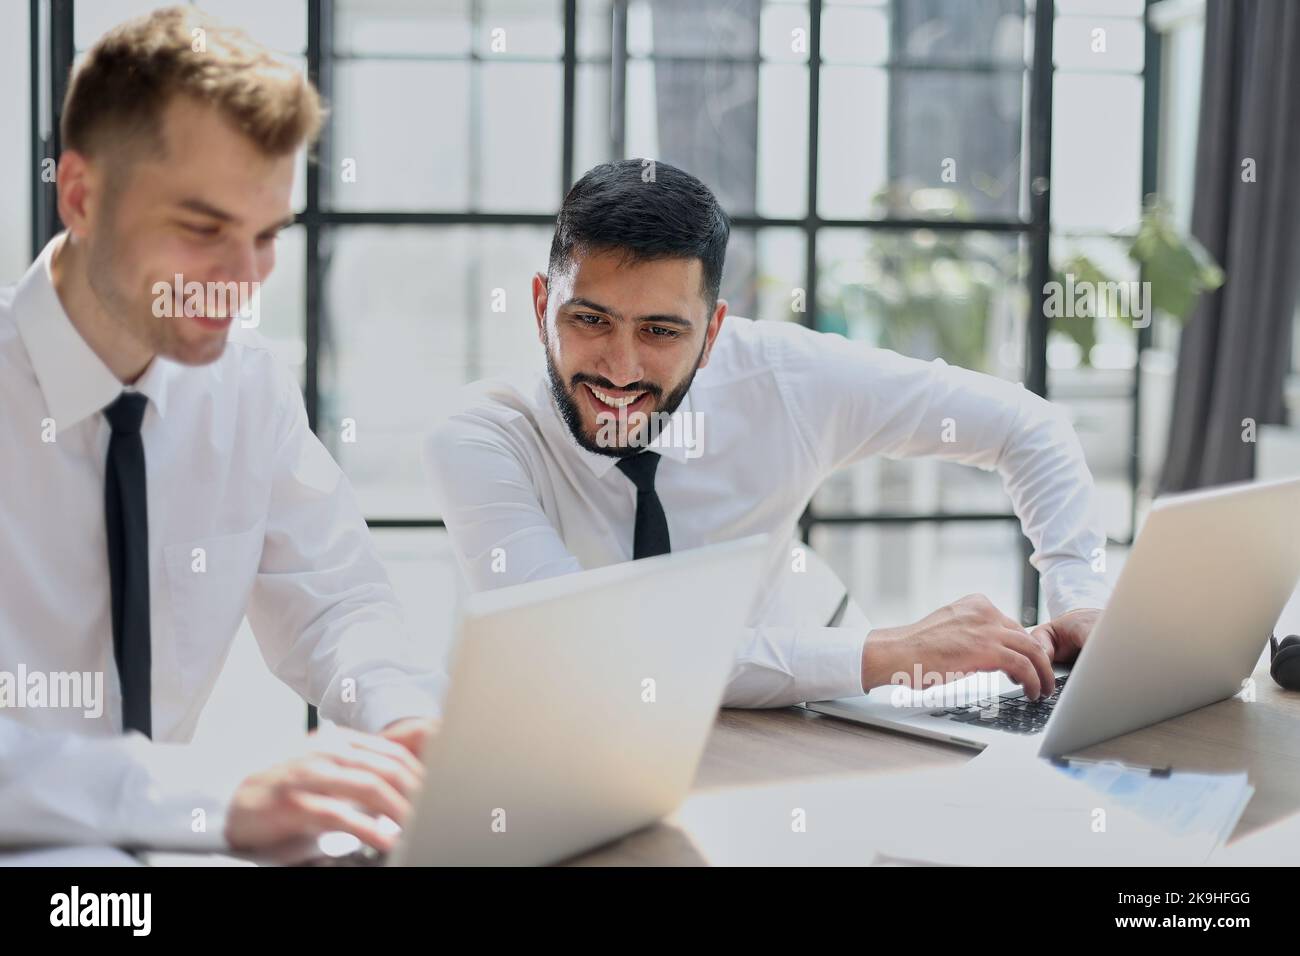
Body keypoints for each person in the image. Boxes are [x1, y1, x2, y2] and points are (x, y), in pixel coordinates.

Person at [425, 159, 1111, 709]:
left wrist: (1077, 595)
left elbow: (1029, 426)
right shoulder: (483, 438)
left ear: (714, 331)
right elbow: (588, 652)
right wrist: (888, 653)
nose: (621, 367)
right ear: (543, 306)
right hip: (574, 744)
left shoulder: (785, 378)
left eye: (661, 331)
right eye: (590, 320)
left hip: (794, 726)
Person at [0, 6, 440, 856]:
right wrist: (211, 797)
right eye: (203, 230)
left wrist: (408, 715)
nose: (243, 282)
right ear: (83, 196)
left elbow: (336, 602)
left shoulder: (246, 387)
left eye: (266, 236)